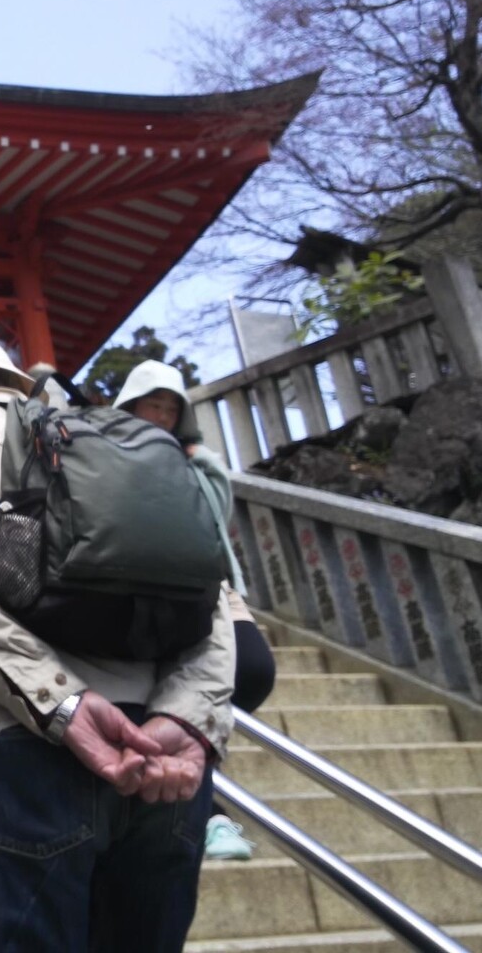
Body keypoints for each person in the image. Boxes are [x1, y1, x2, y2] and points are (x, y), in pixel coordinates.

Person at [0, 335, 235, 953]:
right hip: (165, 759)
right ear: (18, 384)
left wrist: (63, 703)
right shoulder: (113, 440)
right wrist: (189, 716)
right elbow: (216, 592)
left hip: (23, 746)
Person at [114, 359, 277, 862]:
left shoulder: (195, 456)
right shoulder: (106, 447)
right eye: (152, 405)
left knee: (251, 669)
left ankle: (190, 783)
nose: (160, 415)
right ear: (131, 405)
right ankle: (212, 813)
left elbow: (216, 516)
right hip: (151, 584)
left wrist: (199, 464)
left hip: (211, 581)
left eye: (169, 408)